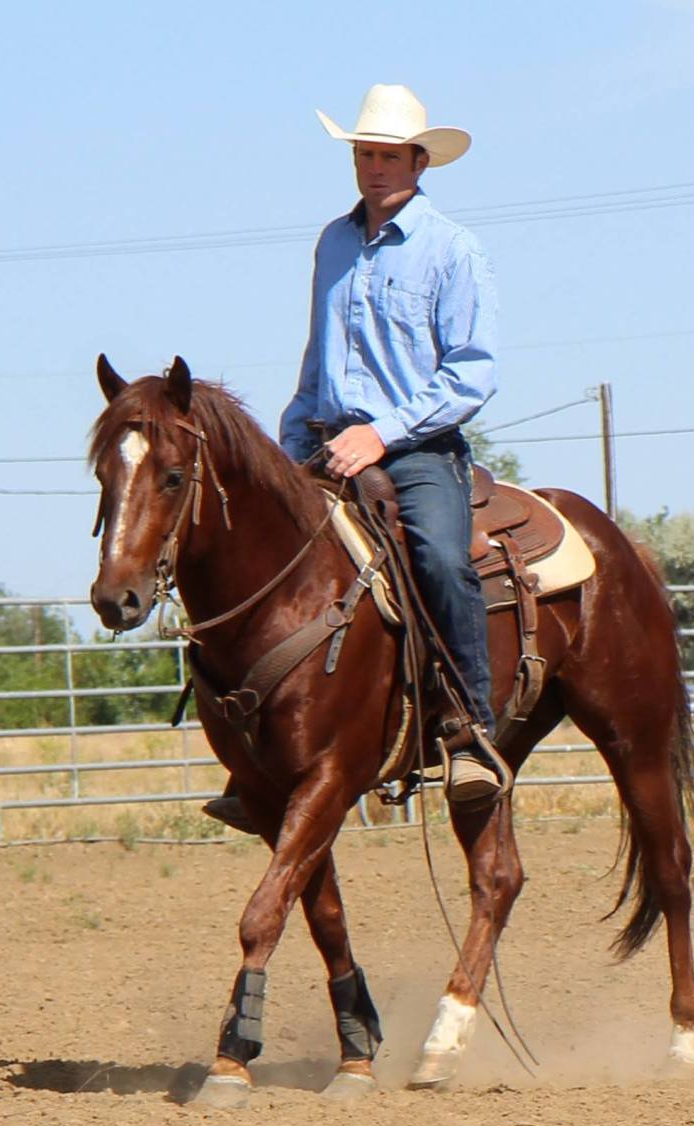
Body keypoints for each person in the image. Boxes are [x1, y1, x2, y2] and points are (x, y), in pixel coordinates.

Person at [280, 83, 503, 806]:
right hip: (326, 442)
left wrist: (382, 434)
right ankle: (262, 751)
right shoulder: (333, 243)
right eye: (364, 154)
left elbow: (471, 373)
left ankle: (469, 729)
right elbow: (319, 358)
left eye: (388, 155)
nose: (374, 167)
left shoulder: (452, 250)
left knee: (440, 556)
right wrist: (289, 448)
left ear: (418, 161)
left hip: (417, 448)